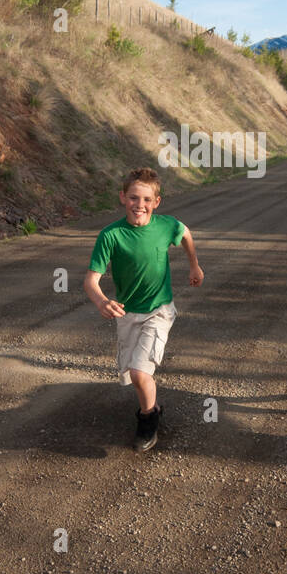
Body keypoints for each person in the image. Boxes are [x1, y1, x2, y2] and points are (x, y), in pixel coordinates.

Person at [83, 166, 204, 451]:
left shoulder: (165, 226)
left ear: (156, 202)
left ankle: (148, 419)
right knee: (132, 375)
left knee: (139, 372)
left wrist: (194, 264)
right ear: (123, 197)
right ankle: (153, 407)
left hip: (160, 310)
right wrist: (102, 301)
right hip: (127, 314)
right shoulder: (111, 235)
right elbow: (91, 280)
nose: (140, 205)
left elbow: (184, 232)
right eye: (134, 198)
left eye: (147, 200)